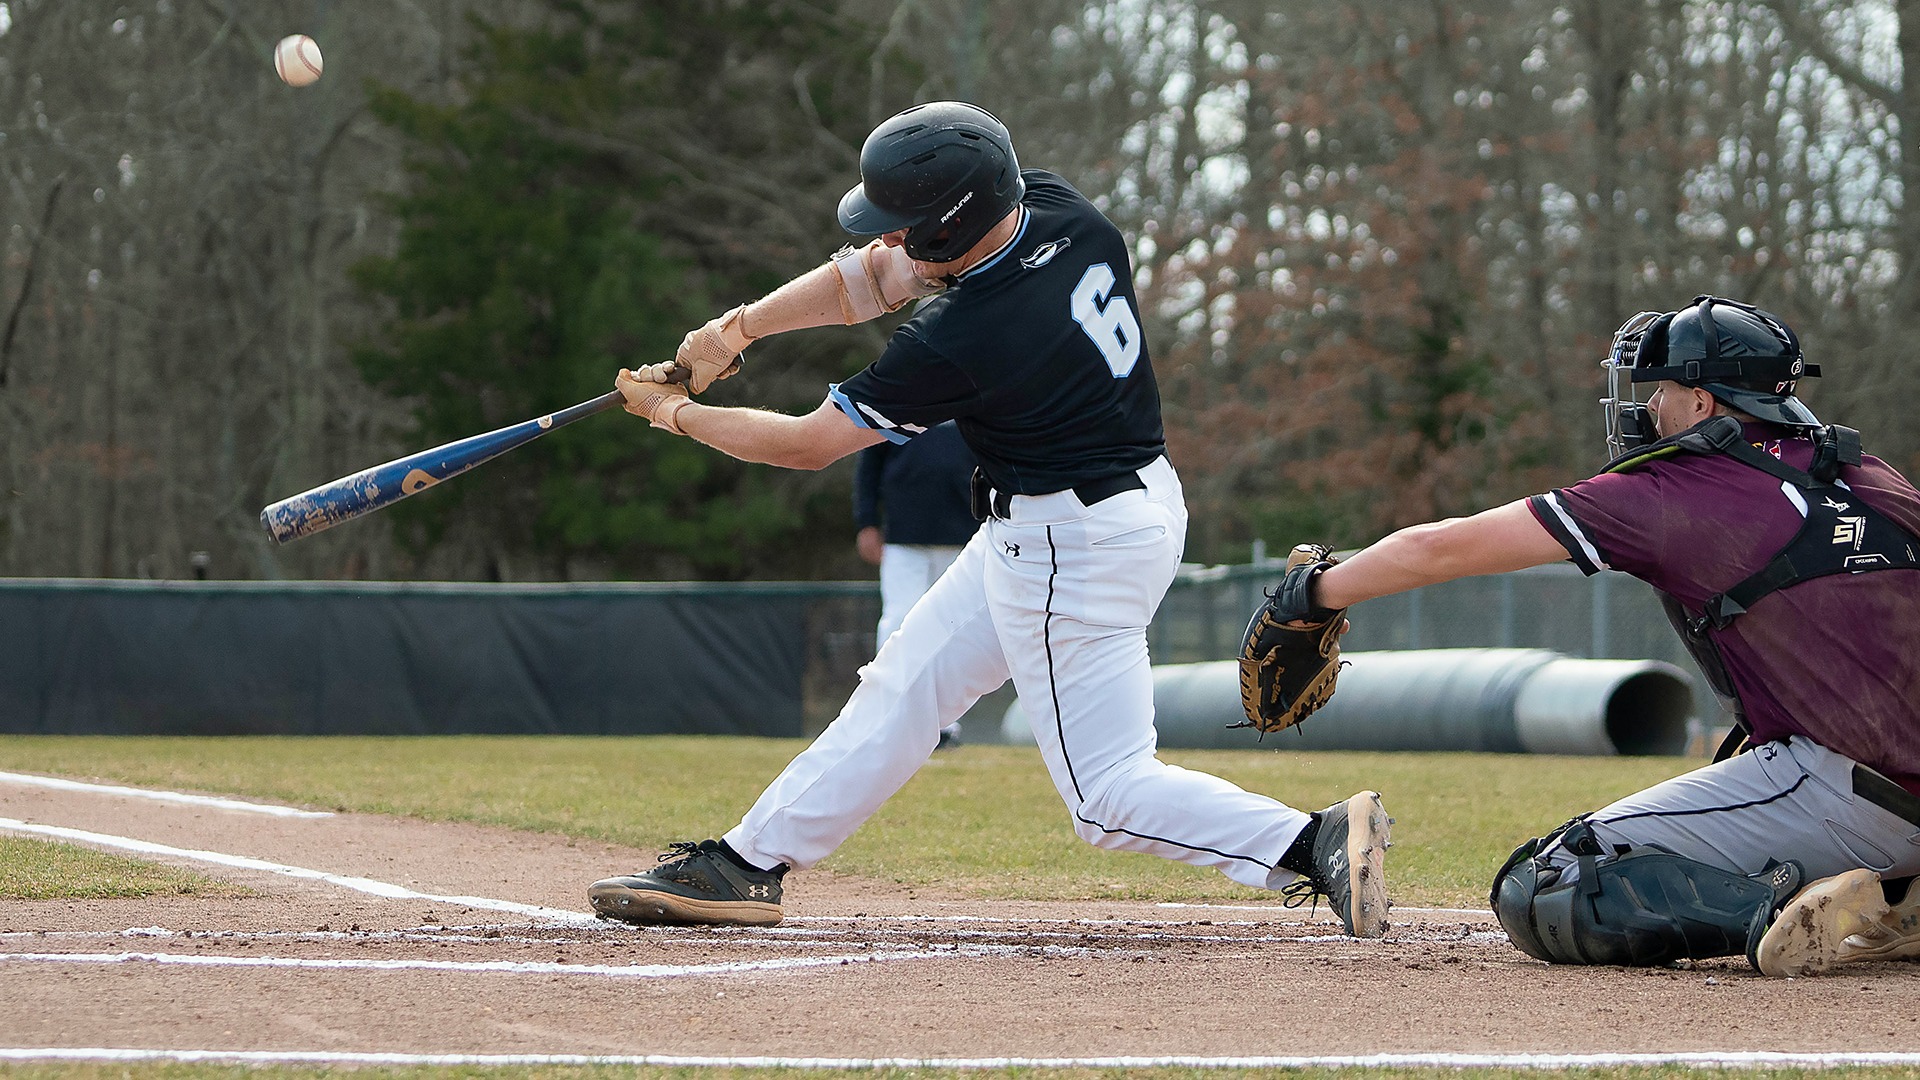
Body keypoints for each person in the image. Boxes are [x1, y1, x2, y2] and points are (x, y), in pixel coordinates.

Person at [586, 101, 1391, 936]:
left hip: (1070, 546)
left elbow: (808, 445)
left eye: (905, 228)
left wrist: (674, 415)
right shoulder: (1055, 207)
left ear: (950, 225)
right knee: (902, 692)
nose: (889, 241)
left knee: (1107, 795)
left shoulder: (966, 333)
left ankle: (1311, 840)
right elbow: (872, 277)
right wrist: (738, 328)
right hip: (1101, 509)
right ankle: (748, 862)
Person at [1255, 295, 1920, 976]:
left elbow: (1440, 548)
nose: (1651, 407)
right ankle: (1900, 897)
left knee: (1547, 882)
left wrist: (1315, 594)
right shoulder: (1867, 474)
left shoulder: (1680, 489)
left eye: (1664, 390)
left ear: (1702, 405)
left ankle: (1781, 909)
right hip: (1887, 788)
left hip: (1857, 796)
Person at [853, 420, 980, 747]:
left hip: (963, 537)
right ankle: (888, 713)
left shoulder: (976, 394)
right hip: (904, 538)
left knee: (954, 631)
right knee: (899, 621)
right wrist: (866, 521)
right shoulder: (901, 396)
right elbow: (869, 462)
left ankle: (943, 724)